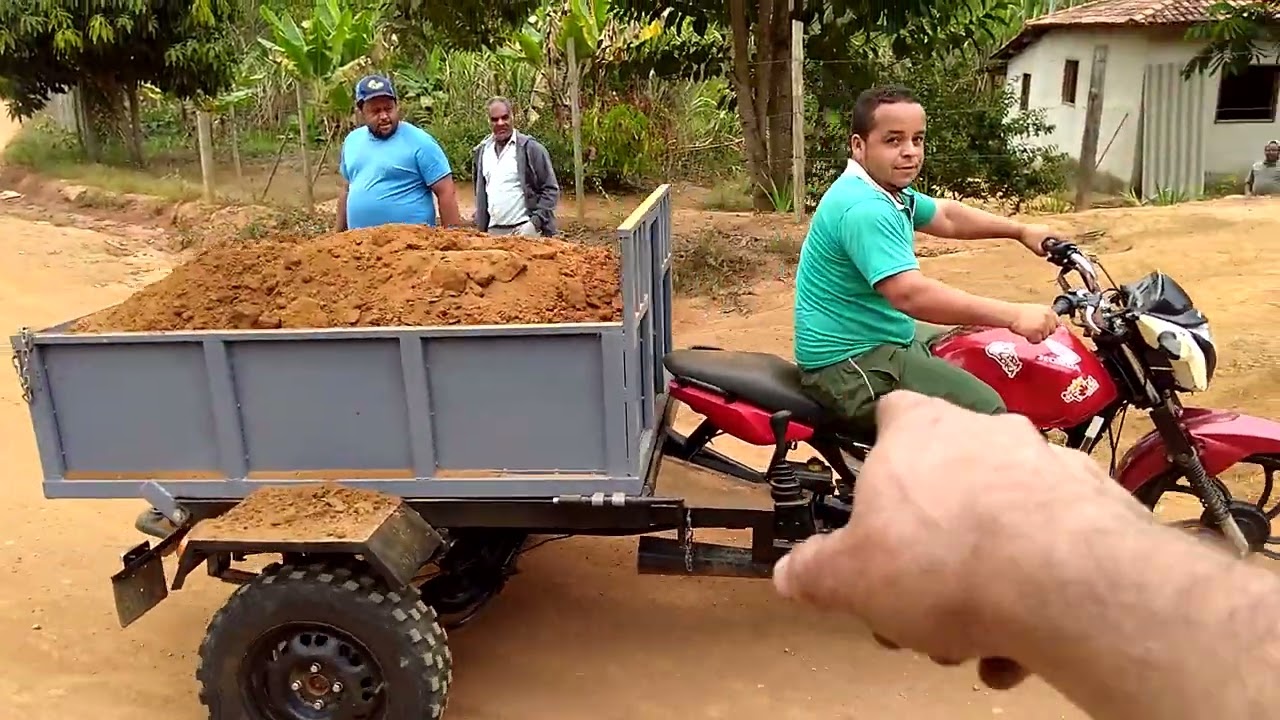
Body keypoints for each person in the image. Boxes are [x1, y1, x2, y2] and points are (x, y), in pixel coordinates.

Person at [773, 389, 1280, 720]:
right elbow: (907, 293)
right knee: (985, 401)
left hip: (885, 349)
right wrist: (1015, 316)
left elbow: (934, 247)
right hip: (857, 362)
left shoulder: (899, 229)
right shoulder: (870, 236)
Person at [792, 84, 1063, 432]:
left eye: (917, 139)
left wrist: (1021, 231)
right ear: (859, 146)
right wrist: (1013, 314)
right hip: (849, 365)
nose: (910, 152)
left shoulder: (886, 190)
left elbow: (946, 216)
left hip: (877, 335)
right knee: (991, 418)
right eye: (893, 140)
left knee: (976, 345)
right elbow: (911, 295)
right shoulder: (865, 208)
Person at [336, 74, 463, 232]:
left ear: (397, 106)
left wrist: (453, 237)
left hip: (411, 243)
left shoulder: (420, 141)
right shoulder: (352, 141)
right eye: (376, 111)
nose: (384, 116)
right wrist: (337, 237)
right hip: (360, 244)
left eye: (388, 108)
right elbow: (347, 189)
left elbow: (445, 191)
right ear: (361, 112)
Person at [471, 96, 560, 237]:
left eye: (504, 117)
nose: (500, 123)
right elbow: (481, 193)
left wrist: (534, 223)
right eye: (495, 119)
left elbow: (550, 190)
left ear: (513, 116)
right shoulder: (482, 152)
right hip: (493, 232)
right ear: (489, 121)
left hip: (525, 231)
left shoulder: (531, 149)